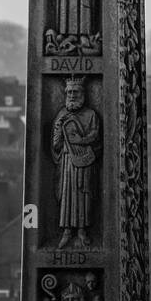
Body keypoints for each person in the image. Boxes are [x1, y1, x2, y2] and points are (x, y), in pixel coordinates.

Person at [53, 77, 100, 248]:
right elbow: (55, 144)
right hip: (67, 161)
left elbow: (96, 137)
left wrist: (82, 140)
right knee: (67, 195)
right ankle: (66, 231)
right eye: (69, 92)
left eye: (75, 92)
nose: (72, 95)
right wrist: (59, 129)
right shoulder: (62, 115)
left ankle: (82, 230)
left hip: (85, 161)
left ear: (83, 94)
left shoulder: (91, 115)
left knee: (84, 194)